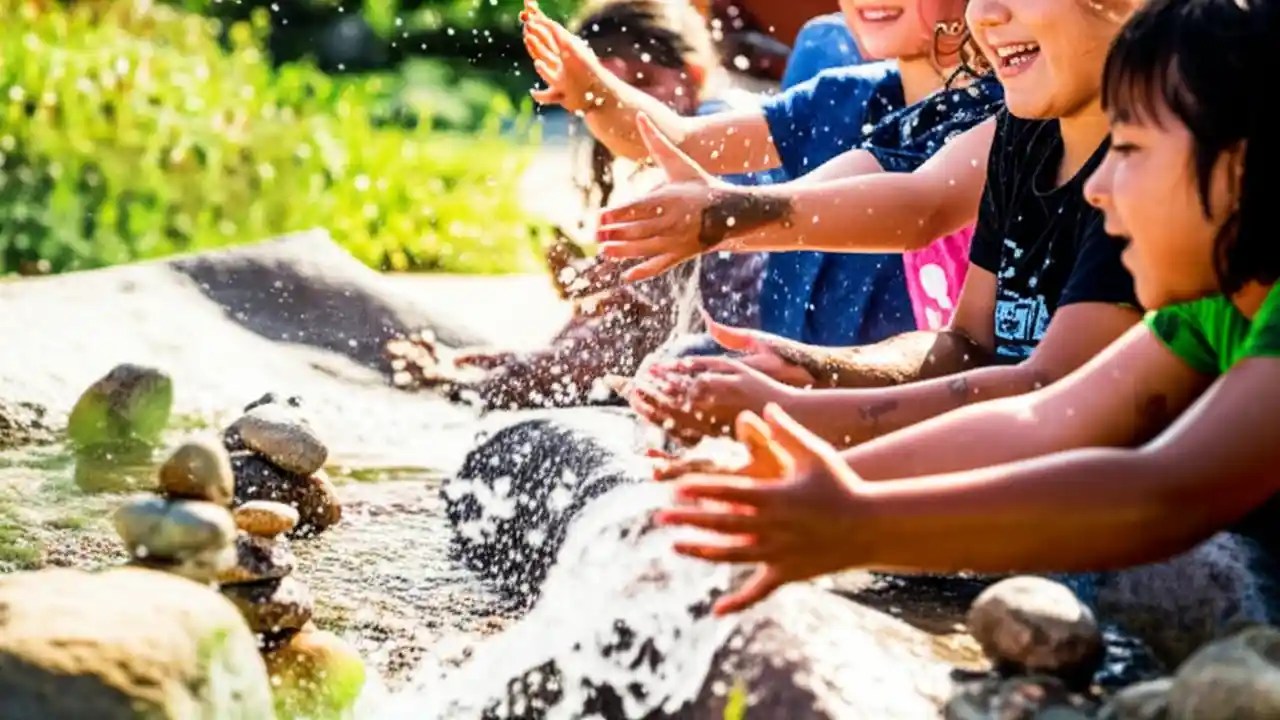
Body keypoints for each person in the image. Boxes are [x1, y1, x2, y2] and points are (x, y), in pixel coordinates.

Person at [651, 0, 1280, 620]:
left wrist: (859, 522)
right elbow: (1044, 419)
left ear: (1245, 162)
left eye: (1132, 149)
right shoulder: (1209, 310)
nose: (1098, 186)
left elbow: (1164, 494)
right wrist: (801, 487)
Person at [606, 0, 1141, 447]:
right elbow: (968, 344)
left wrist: (798, 417)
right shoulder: (1022, 134)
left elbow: (1049, 391)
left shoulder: (1146, 172)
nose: (989, 13)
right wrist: (819, 371)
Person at [522, 0, 972, 351]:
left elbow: (914, 207)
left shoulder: (999, 117)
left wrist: (723, 218)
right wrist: (596, 94)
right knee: (685, 365)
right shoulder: (841, 97)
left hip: (905, 368)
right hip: (806, 357)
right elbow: (682, 139)